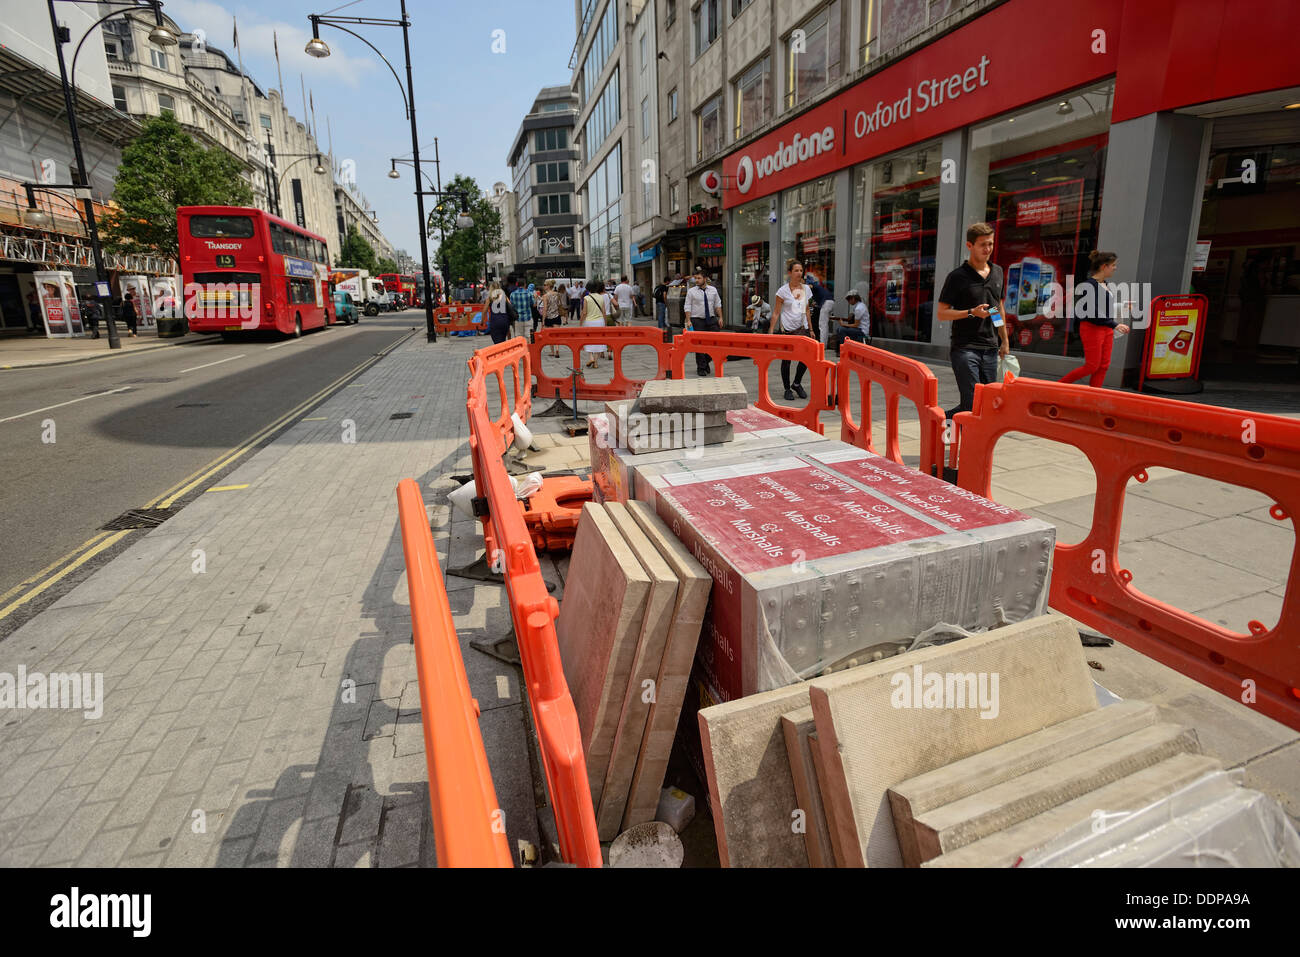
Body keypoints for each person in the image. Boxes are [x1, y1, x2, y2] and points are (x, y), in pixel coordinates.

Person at [937, 222, 1009, 422]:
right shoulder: (957, 277)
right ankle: (950, 431)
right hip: (965, 348)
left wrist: (1004, 340)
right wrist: (971, 313)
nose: (988, 249)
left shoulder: (998, 272)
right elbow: (942, 313)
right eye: (983, 245)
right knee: (971, 403)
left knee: (985, 403)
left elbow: (997, 308)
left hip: (990, 348)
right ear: (970, 246)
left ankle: (942, 421)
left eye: (991, 244)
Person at [1060, 251, 1129, 387]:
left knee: (1103, 366)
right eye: (1113, 265)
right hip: (1092, 329)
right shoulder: (1089, 285)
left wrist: (1123, 306)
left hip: (1106, 329)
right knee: (1092, 366)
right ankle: (1057, 386)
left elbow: (1104, 308)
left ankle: (1093, 396)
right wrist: (1115, 324)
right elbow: (1092, 311)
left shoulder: (1105, 284)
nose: (1115, 268)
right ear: (1104, 266)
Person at [770, 258, 812, 399]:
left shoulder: (806, 289)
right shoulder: (782, 291)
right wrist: (770, 332)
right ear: (790, 273)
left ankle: (797, 383)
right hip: (787, 330)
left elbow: (807, 310)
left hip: (802, 329)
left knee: (806, 358)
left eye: (801, 270)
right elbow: (776, 312)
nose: (799, 273)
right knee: (786, 360)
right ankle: (787, 389)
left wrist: (811, 329)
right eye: (796, 270)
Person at [684, 269, 723, 376]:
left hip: (711, 319)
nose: (696, 280)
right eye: (695, 278)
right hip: (697, 320)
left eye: (699, 278)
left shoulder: (713, 290)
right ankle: (701, 368)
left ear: (705, 279)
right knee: (699, 345)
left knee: (716, 343)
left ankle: (705, 361)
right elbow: (687, 306)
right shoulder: (691, 291)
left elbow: (718, 304)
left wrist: (720, 317)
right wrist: (688, 320)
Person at [580, 279, 607, 369]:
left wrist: (580, 323)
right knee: (598, 341)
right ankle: (595, 362)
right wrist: (605, 323)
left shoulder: (586, 298)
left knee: (589, 340)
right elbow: (604, 312)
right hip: (600, 321)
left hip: (589, 322)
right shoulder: (601, 297)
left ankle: (591, 358)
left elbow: (584, 312)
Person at [542, 279, 564, 357]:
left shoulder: (545, 296)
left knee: (550, 335)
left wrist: (543, 320)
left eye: (545, 285)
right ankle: (557, 349)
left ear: (548, 286)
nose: (544, 286)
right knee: (556, 334)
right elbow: (559, 304)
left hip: (548, 317)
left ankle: (552, 352)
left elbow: (545, 309)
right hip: (557, 316)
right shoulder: (557, 294)